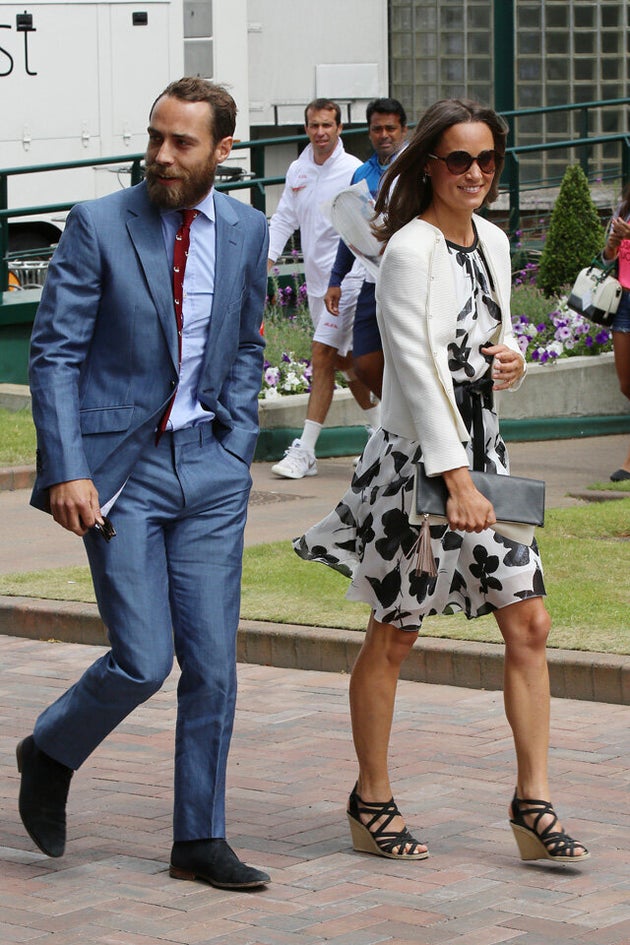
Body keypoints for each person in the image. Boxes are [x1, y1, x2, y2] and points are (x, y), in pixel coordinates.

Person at [294, 99, 589, 865]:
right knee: (396, 632)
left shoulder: (490, 240)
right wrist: (454, 478)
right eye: (459, 159)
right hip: (416, 463)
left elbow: (492, 341)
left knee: (529, 621)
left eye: (488, 160)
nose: (476, 174)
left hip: (484, 452)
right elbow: (419, 370)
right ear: (428, 163)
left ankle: (534, 804)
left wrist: (513, 362)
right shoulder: (409, 252)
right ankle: (373, 796)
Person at [19, 77, 271, 890]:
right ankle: (50, 748)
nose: (162, 154)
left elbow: (246, 340)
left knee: (213, 665)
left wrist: (236, 439)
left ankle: (198, 837)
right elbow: (54, 353)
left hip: (210, 465)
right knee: (142, 658)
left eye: (183, 142)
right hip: (121, 472)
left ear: (222, 152)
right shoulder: (98, 224)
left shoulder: (247, 228)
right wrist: (68, 466)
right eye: (156, 136)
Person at [268, 98, 379, 480]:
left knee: (320, 357)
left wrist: (347, 276)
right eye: (314, 126)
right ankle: (381, 434)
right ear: (306, 128)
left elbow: (363, 227)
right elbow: (283, 218)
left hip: (347, 282)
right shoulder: (297, 170)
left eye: (327, 126)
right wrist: (265, 260)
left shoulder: (352, 170)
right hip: (317, 288)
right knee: (344, 364)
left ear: (339, 129)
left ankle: (306, 451)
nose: (320, 132)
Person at [325, 98, 408, 400]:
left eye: (390, 128)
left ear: (403, 130)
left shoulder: (415, 168)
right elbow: (350, 230)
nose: (384, 134)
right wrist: (336, 279)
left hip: (408, 281)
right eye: (377, 129)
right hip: (372, 279)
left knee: (408, 360)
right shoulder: (361, 174)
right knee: (365, 363)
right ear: (369, 132)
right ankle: (401, 417)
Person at [602, 183, 630, 481]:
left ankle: (629, 463)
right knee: (626, 385)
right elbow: (608, 257)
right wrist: (613, 243)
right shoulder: (624, 211)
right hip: (623, 300)